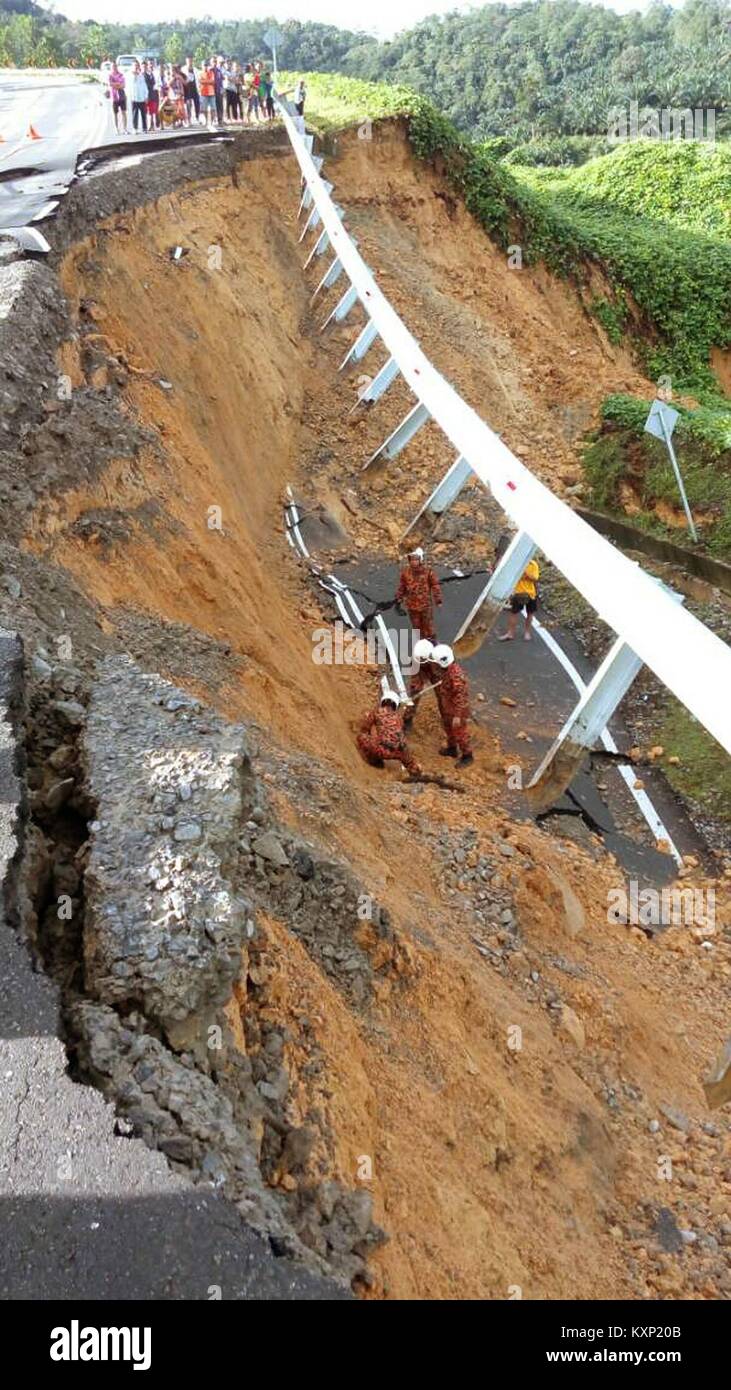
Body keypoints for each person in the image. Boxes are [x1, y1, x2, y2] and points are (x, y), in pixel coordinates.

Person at [357, 691, 421, 774]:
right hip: (400, 751)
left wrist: (367, 732)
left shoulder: (377, 712)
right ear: (395, 705)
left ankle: (373, 760)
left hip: (382, 750)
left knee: (361, 737)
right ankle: (414, 768)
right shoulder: (399, 718)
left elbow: (365, 728)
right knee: (408, 759)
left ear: (383, 701)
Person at [431, 644, 473, 765]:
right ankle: (452, 748)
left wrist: (457, 716)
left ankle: (467, 755)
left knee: (459, 732)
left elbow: (461, 698)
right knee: (448, 728)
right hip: (449, 708)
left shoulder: (456, 676)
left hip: (456, 711)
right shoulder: (446, 671)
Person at [395, 547, 443, 641]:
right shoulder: (406, 573)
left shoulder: (428, 572)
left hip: (426, 606)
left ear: (420, 559)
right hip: (412, 607)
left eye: (416, 559)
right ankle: (422, 646)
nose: (413, 562)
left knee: (428, 627)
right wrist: (398, 598)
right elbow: (402, 587)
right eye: (412, 559)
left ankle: (432, 644)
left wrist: (438, 600)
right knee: (417, 628)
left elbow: (435, 585)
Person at [498, 558, 541, 641]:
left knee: (530, 613)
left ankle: (527, 632)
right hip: (518, 593)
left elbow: (535, 578)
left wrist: (525, 572)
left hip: (531, 593)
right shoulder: (515, 563)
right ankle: (510, 633)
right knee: (513, 613)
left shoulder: (533, 564)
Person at [403, 638, 439, 728]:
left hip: (434, 667)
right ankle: (408, 718)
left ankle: (447, 715)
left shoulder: (440, 655)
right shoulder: (418, 653)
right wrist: (416, 686)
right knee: (415, 690)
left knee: (442, 692)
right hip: (420, 667)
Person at [108, 62, 128, 135]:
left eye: (115, 66)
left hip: (122, 95)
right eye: (113, 66)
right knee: (115, 114)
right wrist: (118, 84)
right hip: (114, 97)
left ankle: (125, 128)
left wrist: (116, 84)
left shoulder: (121, 75)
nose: (114, 68)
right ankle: (116, 129)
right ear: (111, 67)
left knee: (124, 112)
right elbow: (110, 84)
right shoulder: (110, 75)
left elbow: (123, 85)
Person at [131, 61, 148, 134]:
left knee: (143, 114)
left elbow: (145, 87)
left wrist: (146, 96)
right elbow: (130, 84)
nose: (136, 67)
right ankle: (135, 128)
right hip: (134, 97)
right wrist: (134, 75)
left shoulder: (141, 76)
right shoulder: (130, 75)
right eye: (135, 65)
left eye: (137, 65)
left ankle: (144, 128)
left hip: (142, 98)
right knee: (135, 114)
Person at [199, 60, 217, 127]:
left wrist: (205, 81)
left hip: (211, 92)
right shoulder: (200, 73)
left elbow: (213, 81)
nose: (205, 67)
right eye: (204, 65)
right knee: (204, 109)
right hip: (203, 92)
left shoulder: (211, 72)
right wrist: (208, 81)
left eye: (206, 65)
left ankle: (212, 121)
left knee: (213, 108)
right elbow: (200, 81)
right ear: (202, 66)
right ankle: (206, 121)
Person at [144, 60, 159, 131]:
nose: (151, 65)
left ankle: (154, 124)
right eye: (149, 64)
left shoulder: (154, 73)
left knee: (154, 110)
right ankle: (150, 125)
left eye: (152, 64)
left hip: (154, 94)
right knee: (148, 111)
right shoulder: (144, 74)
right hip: (147, 95)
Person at [183, 58, 200, 124]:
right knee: (188, 104)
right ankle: (189, 119)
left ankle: (197, 117)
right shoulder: (183, 69)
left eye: (191, 61)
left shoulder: (195, 69)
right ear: (186, 61)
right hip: (187, 89)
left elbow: (198, 78)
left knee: (197, 103)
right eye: (188, 61)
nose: (190, 62)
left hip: (195, 88)